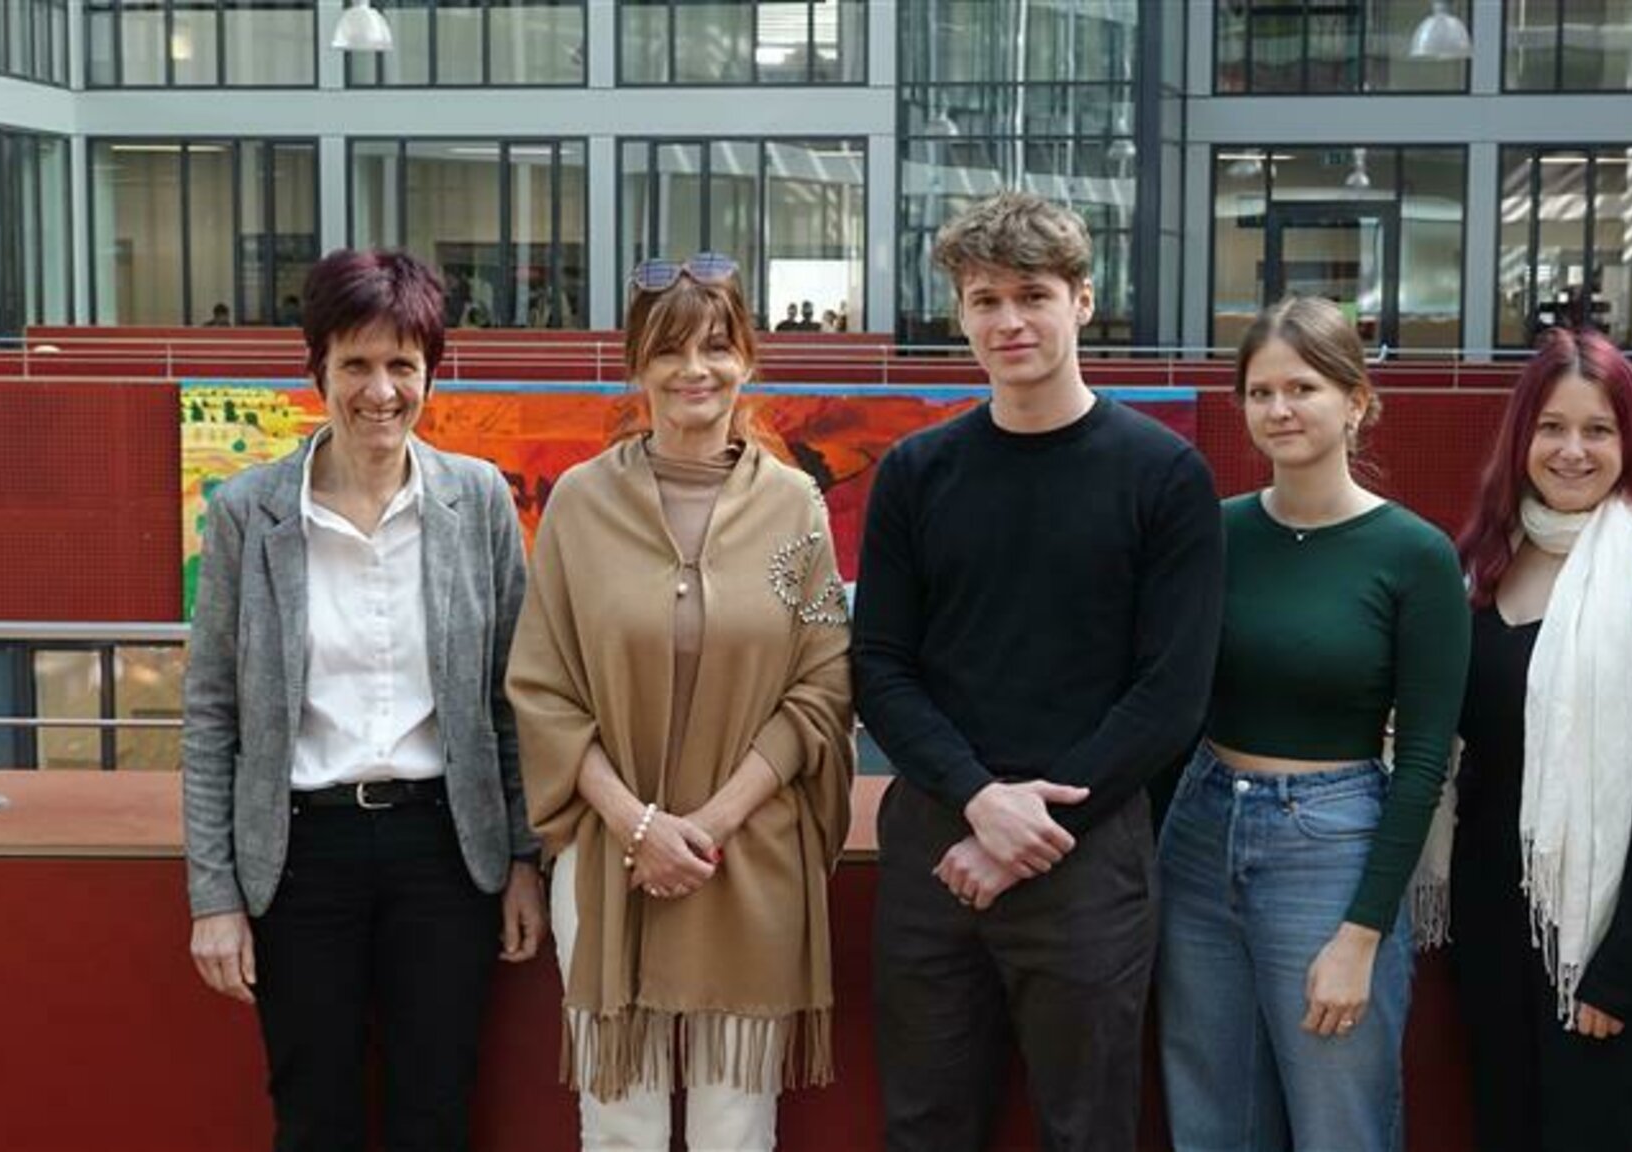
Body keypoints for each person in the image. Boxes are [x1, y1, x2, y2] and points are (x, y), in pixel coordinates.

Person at [853, 191, 1225, 1152]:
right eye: (983, 300)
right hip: (937, 843)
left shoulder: (1163, 475)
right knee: (926, 1126)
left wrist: (1033, 824)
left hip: (1090, 856)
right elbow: (881, 666)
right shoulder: (916, 472)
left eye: (1032, 295)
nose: (1008, 321)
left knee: (1087, 1130)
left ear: (1083, 301)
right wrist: (982, 800)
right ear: (960, 315)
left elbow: (1171, 693)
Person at [182, 248, 546, 1152]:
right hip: (302, 853)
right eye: (355, 364)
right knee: (315, 1112)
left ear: (430, 373)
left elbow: (515, 696)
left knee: (437, 1104)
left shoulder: (477, 501)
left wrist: (525, 858)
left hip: (444, 852)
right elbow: (211, 714)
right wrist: (213, 894)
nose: (379, 391)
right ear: (318, 372)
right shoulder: (247, 512)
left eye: (401, 366)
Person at [508, 250, 855, 1152]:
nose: (694, 370)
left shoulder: (795, 509)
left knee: (734, 1126)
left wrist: (710, 822)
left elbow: (822, 683)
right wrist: (637, 827)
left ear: (748, 358)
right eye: (670, 350)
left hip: (748, 858)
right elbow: (542, 691)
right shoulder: (581, 506)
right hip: (609, 858)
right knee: (616, 1123)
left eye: (716, 346)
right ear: (635, 366)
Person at [1154, 296, 1469, 1151]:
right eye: (1261, 392)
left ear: (1356, 401)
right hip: (1201, 829)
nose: (1281, 409)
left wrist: (1363, 932)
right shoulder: (1216, 533)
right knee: (1212, 1114)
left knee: (1341, 1123)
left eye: (1305, 388)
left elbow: (1426, 759)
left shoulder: (1414, 555)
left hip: (1332, 846)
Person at [1449, 327, 1632, 1152]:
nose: (1572, 450)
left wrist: (1618, 969)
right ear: (1521, 438)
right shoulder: (1484, 569)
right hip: (1496, 927)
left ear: (1631, 442)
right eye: (1551, 426)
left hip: (1612, 939)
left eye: (1598, 430)